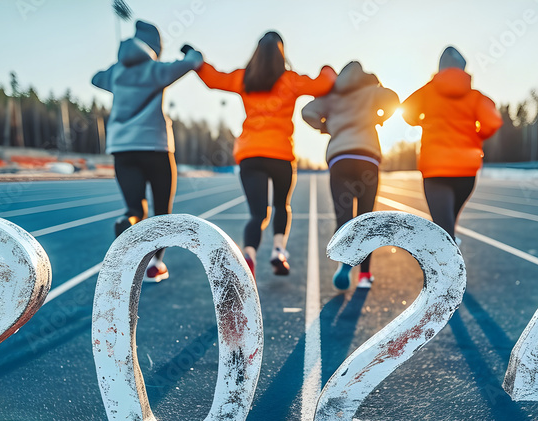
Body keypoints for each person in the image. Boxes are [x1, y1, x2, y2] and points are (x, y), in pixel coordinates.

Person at [195, 31, 336, 277]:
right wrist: (327, 69)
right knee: (282, 205)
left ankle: (249, 255)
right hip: (280, 154)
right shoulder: (290, 80)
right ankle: (278, 251)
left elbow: (213, 79)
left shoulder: (244, 78)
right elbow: (324, 84)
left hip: (250, 154)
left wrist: (194, 60)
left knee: (257, 213)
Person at [92, 20, 203, 283]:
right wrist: (188, 51)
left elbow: (96, 78)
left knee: (134, 207)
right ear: (155, 47)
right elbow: (194, 61)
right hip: (155, 146)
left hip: (122, 149)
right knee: (162, 211)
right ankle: (155, 263)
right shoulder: (157, 70)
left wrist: (118, 65)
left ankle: (127, 221)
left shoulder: (116, 74)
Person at [302, 61, 399, 290]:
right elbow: (393, 99)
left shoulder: (332, 96)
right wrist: (380, 118)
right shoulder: (371, 92)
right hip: (367, 158)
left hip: (340, 159)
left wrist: (326, 126)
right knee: (366, 218)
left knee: (343, 216)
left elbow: (307, 111)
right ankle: (365, 275)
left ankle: (344, 262)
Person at [401, 46, 502, 240]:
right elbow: (493, 121)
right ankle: (444, 258)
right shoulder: (475, 97)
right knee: (447, 225)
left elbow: (406, 111)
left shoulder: (428, 91)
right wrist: (477, 135)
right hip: (466, 171)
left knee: (443, 230)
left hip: (436, 170)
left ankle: (442, 266)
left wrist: (421, 122)